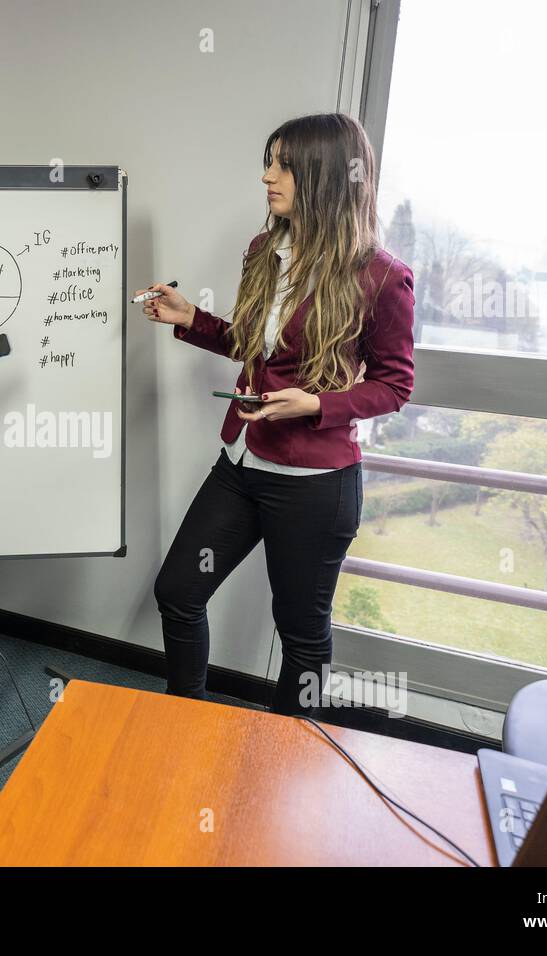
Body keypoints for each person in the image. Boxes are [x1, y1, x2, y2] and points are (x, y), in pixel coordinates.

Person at [138, 112, 415, 716]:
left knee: (301, 633)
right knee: (179, 591)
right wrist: (193, 320)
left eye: (282, 164)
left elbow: (395, 386)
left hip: (315, 485)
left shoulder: (383, 277)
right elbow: (258, 346)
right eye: (270, 161)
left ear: (323, 176)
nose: (267, 176)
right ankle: (184, 723)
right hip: (242, 463)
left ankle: (286, 754)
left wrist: (316, 404)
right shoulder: (265, 249)